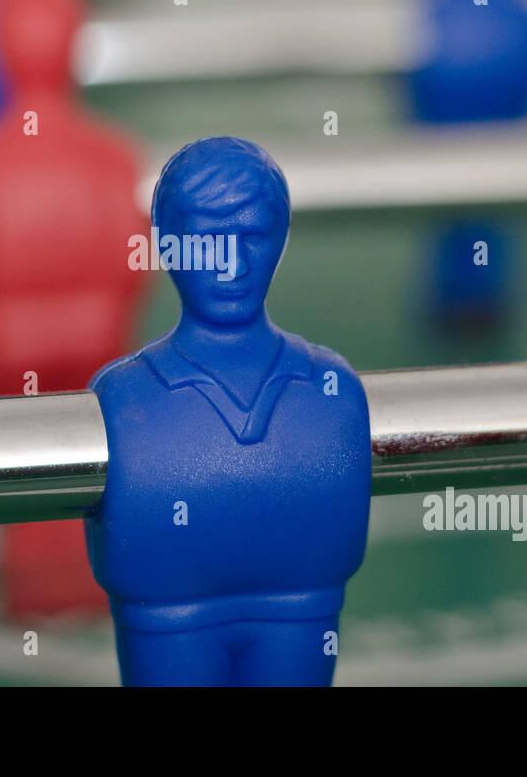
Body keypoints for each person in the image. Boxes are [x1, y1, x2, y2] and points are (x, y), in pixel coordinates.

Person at [86, 137, 373, 686]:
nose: (232, 265)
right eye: (207, 243)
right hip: (168, 620)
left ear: (281, 240)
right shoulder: (121, 401)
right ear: (167, 246)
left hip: (296, 610)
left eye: (252, 237)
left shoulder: (332, 390)